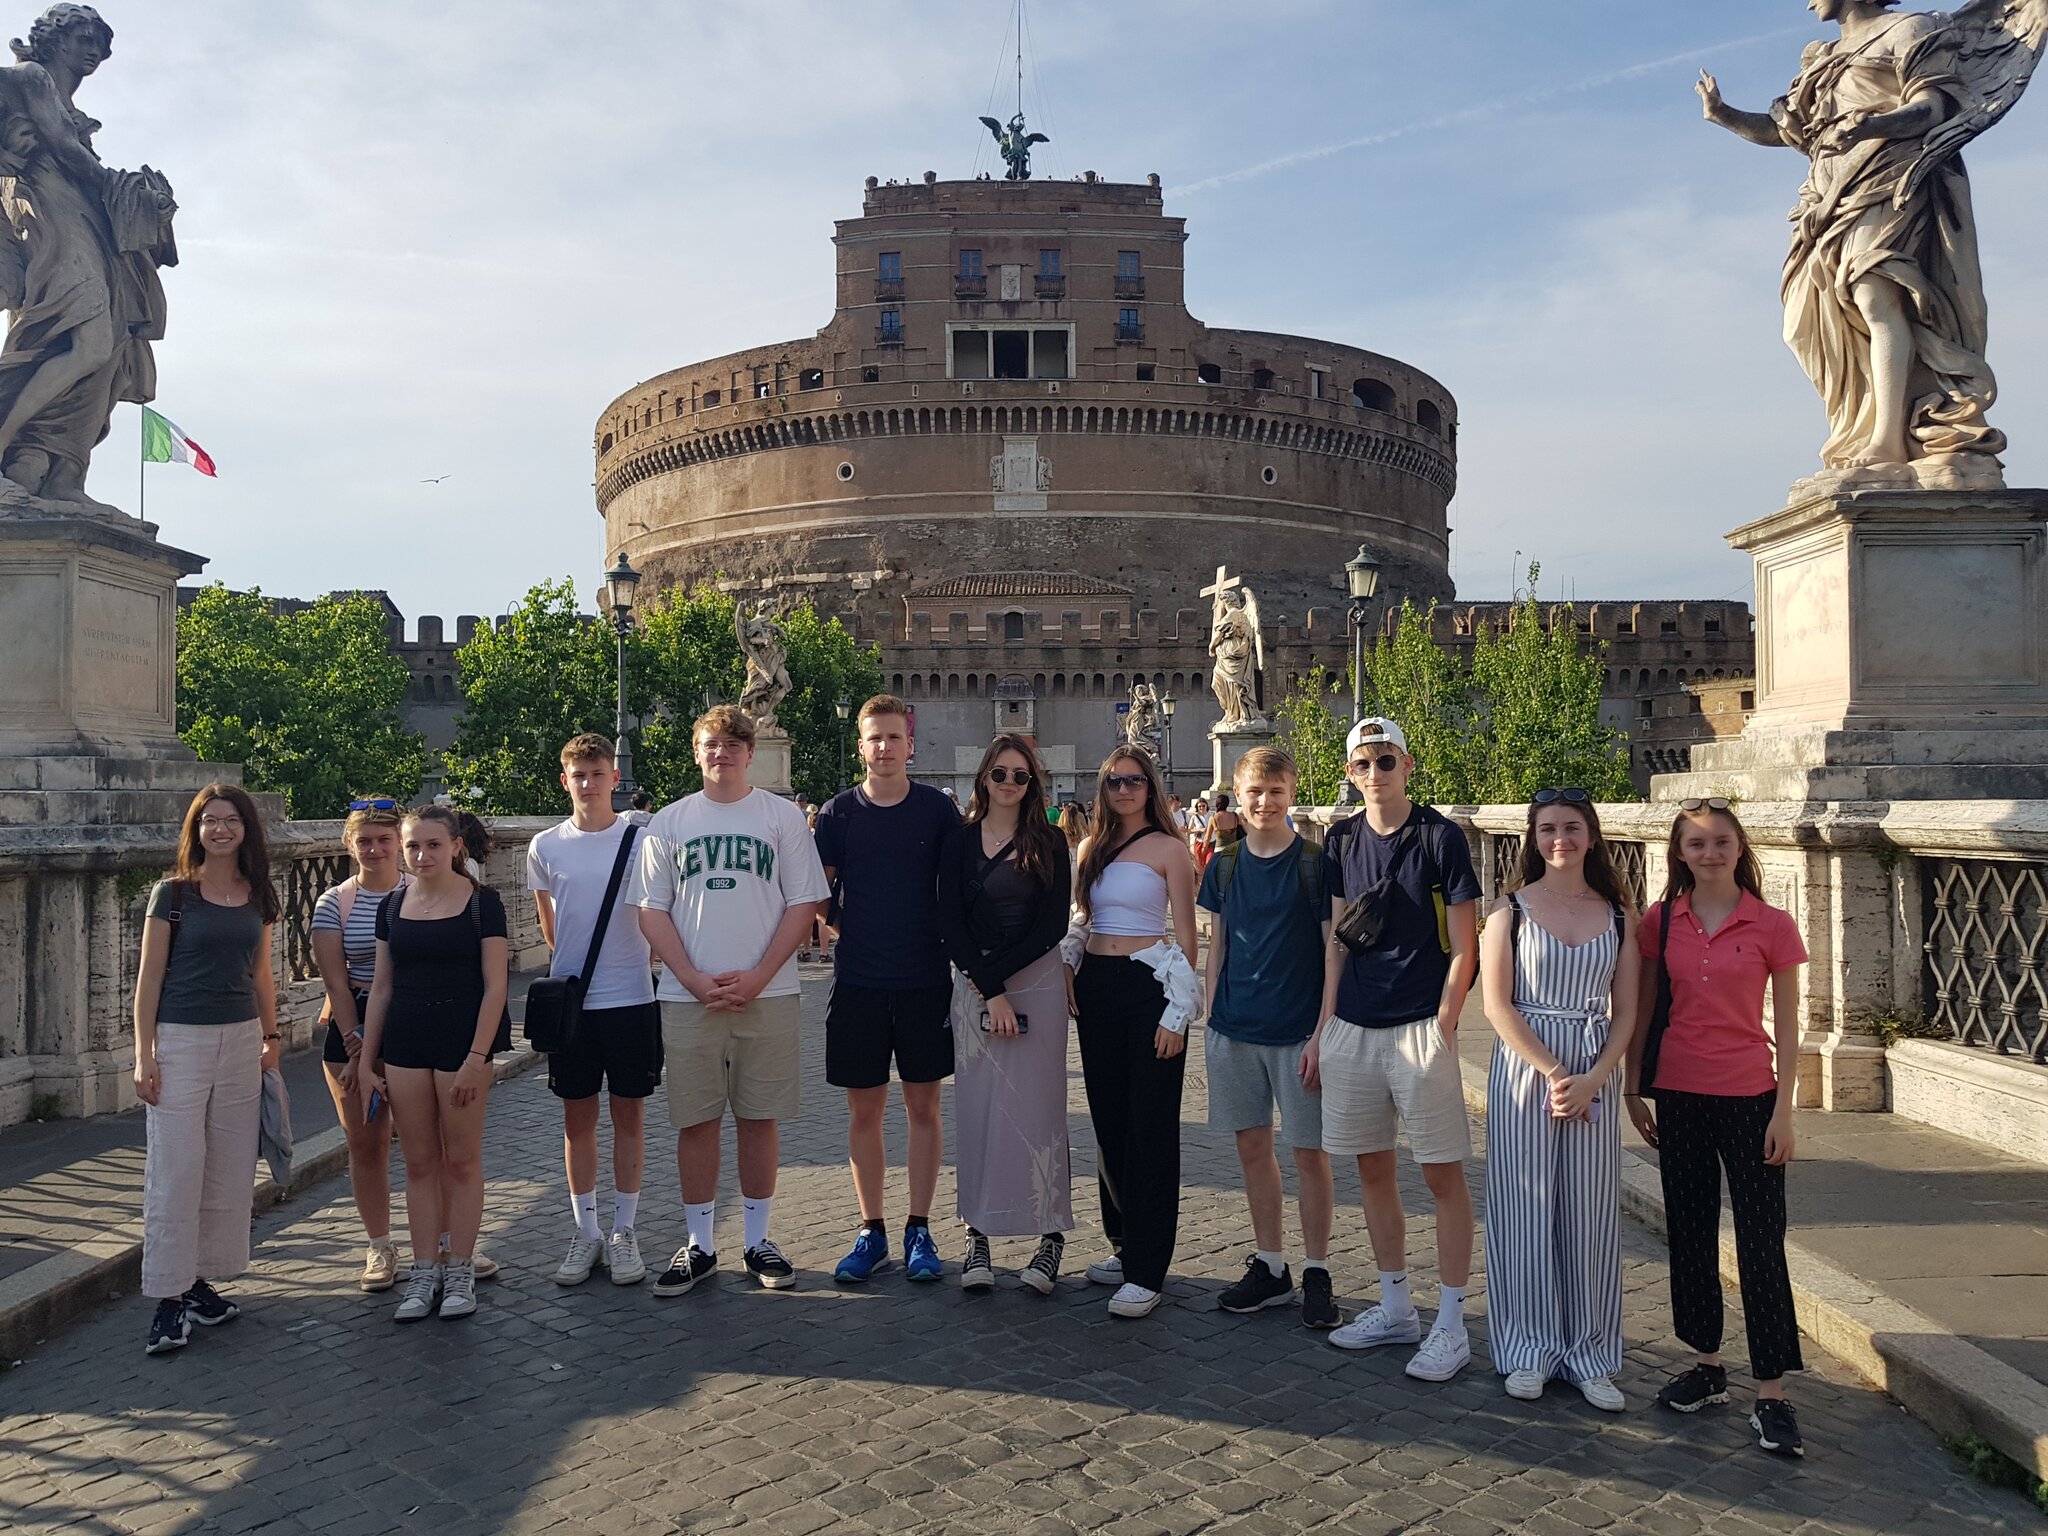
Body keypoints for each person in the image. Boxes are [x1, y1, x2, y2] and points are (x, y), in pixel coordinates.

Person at [1628, 799, 1809, 1458]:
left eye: (1721, 842)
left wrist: (1785, 1111)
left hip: (1749, 1097)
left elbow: (1787, 1028)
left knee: (1763, 1242)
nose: (1709, 853)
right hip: (1678, 1094)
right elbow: (1644, 1009)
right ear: (1680, 852)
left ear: (1740, 848)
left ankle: (1771, 1392)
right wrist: (1631, 1088)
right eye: (1697, 843)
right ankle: (1707, 1364)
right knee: (1691, 1233)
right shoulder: (1661, 922)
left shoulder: (1771, 924)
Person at [631, 705, 828, 1296]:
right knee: (696, 1119)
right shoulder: (666, 823)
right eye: (711, 744)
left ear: (750, 754)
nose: (722, 754)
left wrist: (761, 975)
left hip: (768, 991)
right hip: (689, 995)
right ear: (696, 752)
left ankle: (757, 1239)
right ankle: (699, 1243)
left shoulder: (781, 818)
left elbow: (802, 904)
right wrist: (689, 976)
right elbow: (650, 909)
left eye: (733, 745)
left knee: (757, 1116)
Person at [1308, 717, 1480, 1380]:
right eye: (1363, 764)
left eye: (1386, 761)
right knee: (1372, 1169)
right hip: (1354, 1022)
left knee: (1441, 1174)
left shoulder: (1442, 838)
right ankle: (1394, 1305)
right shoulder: (1341, 838)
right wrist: (1325, 1025)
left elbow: (1467, 945)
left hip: (1418, 1026)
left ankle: (1451, 1322)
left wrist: (1445, 1019)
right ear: (1349, 773)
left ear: (1408, 765)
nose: (1374, 774)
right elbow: (1338, 940)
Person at [1480, 789, 1640, 1411]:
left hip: (1594, 1072)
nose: (1560, 839)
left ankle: (1590, 1353)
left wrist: (1595, 1077)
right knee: (1523, 1212)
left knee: (1591, 1216)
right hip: (1527, 1072)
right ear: (1533, 838)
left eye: (1572, 827)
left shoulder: (1619, 914)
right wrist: (1553, 1071)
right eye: (1548, 828)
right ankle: (1527, 1347)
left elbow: (1625, 1010)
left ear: (1592, 836)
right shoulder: (1509, 911)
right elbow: (1496, 1004)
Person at [814, 695, 961, 1282]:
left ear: (910, 745)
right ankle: (870, 1229)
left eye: (893, 738)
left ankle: (919, 1227)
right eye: (874, 738)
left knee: (924, 1107)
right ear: (861, 746)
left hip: (926, 980)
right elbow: (818, 894)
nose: (884, 748)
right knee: (864, 1111)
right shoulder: (837, 815)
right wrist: (855, 931)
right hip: (859, 982)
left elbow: (955, 889)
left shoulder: (937, 812)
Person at [132, 784, 280, 1355]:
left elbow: (262, 974)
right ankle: (166, 1300)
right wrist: (144, 1054)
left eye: (231, 820)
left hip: (242, 1040)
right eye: (209, 821)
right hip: (181, 1042)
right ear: (196, 830)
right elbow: (148, 982)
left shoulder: (257, 894)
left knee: (226, 1168)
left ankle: (199, 1281)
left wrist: (270, 1036)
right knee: (176, 1168)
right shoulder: (172, 894)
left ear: (246, 829)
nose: (220, 829)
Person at [1198, 748, 1339, 1330]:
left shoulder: (1315, 862)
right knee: (1252, 1151)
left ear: (1292, 793)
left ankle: (1316, 1270)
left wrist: (1322, 1033)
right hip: (1236, 1030)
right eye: (1255, 792)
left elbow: (1335, 952)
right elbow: (1218, 946)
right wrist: (1210, 1017)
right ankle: (1272, 1264)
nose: (1265, 802)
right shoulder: (1223, 866)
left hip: (1298, 1033)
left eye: (1276, 791)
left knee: (1310, 1154)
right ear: (1238, 793)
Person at [358, 806, 512, 1323]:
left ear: (455, 848)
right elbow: (381, 988)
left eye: (433, 845)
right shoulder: (391, 905)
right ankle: (425, 1272)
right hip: (405, 1043)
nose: (422, 856)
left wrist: (476, 1058)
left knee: (462, 1161)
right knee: (419, 1163)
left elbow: (496, 986)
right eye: (413, 847)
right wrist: (366, 1060)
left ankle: (461, 1269)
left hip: (460, 1045)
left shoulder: (482, 904)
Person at [935, 735, 1075, 1294]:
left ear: (1033, 783)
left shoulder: (1051, 840)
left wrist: (999, 984)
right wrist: (988, 989)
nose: (1011, 784)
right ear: (983, 778)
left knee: (1041, 1111)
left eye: (1021, 776)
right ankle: (978, 1235)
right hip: (975, 987)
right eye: (1001, 774)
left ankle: (1049, 1238)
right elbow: (948, 920)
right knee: (978, 1112)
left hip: (1035, 983)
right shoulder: (959, 841)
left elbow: (1053, 926)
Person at [1069, 747, 1201, 1319]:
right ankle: (1124, 1246)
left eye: (1135, 780)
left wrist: (1178, 1013)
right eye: (1114, 781)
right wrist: (1068, 963)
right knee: (1109, 1121)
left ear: (1151, 786)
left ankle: (1149, 1269)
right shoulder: (1090, 848)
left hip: (1149, 984)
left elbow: (1190, 938)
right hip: (1096, 983)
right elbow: (1080, 918)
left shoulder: (1172, 849)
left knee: (1150, 1125)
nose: (1124, 790)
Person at [528, 734, 662, 1289]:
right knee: (577, 1121)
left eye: (597, 773)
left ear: (614, 778)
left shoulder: (642, 836)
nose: (588, 783)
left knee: (629, 1118)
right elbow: (548, 926)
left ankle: (623, 1231)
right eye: (578, 775)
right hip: (574, 1006)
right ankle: (586, 1231)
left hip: (632, 997)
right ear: (566, 781)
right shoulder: (545, 846)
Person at [310, 797, 407, 1292]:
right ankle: (380, 1245)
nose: (374, 849)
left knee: (426, 1142)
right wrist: (357, 1050)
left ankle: (447, 1240)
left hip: (413, 1025)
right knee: (366, 1143)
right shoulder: (334, 903)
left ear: (399, 844)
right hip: (353, 1026)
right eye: (364, 841)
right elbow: (336, 982)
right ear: (349, 845)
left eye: (383, 840)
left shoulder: (422, 891)